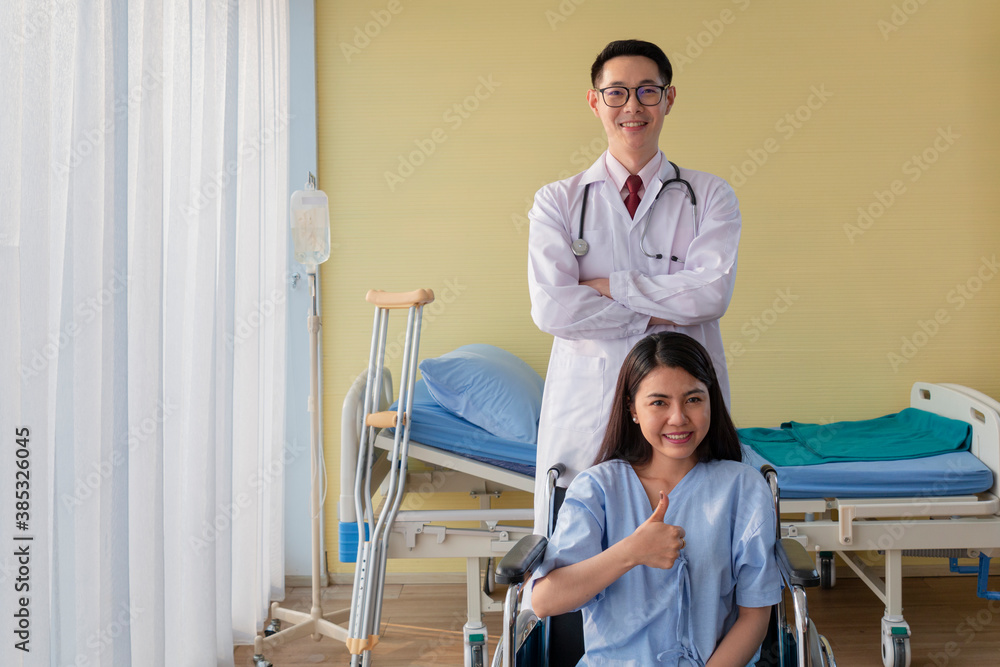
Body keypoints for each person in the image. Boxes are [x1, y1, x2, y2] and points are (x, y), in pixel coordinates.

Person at [528, 39, 742, 531]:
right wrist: (662, 308)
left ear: (669, 99)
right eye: (617, 92)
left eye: (648, 91)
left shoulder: (709, 196)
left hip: (681, 413)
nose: (633, 107)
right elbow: (552, 309)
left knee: (692, 549)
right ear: (594, 101)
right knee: (581, 550)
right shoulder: (558, 202)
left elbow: (711, 295)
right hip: (589, 409)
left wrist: (609, 285)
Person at [530, 332, 780, 666]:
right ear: (633, 408)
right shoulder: (596, 488)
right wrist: (630, 552)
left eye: (693, 399)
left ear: (711, 401)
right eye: (659, 402)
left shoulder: (743, 488)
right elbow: (545, 602)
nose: (678, 418)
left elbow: (755, 617)